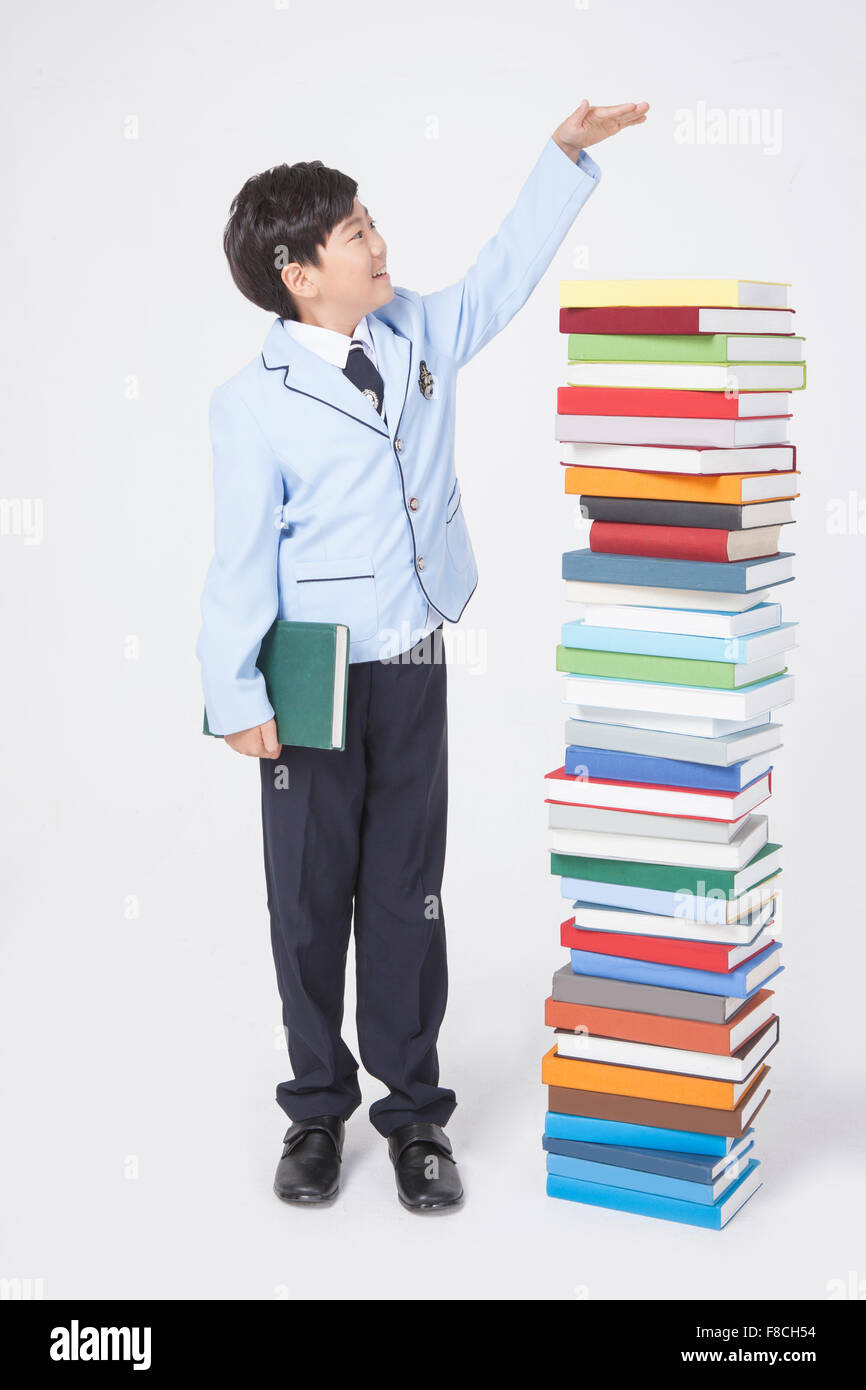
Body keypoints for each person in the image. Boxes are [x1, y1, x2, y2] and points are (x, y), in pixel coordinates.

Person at [197, 99, 649, 1212]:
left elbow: (498, 276)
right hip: (306, 670)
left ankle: (412, 1115)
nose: (377, 240)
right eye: (353, 232)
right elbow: (238, 555)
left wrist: (559, 158)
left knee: (407, 892)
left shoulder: (417, 335)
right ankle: (313, 1108)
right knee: (307, 899)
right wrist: (233, 689)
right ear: (299, 272)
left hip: (410, 659)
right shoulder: (249, 405)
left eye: (368, 220)